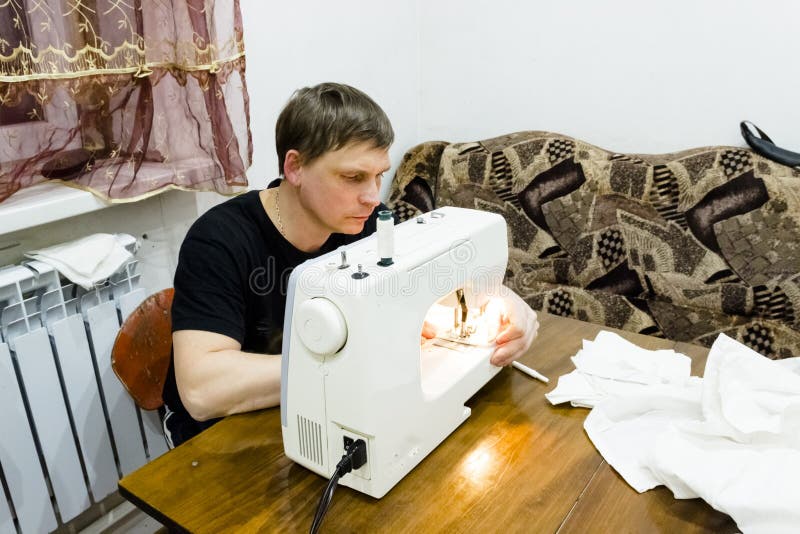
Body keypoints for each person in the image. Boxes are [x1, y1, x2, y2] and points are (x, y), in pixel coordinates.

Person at [162, 82, 539, 447]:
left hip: (328, 409)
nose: (373, 197)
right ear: (295, 167)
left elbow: (428, 286)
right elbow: (202, 390)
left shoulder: (371, 224)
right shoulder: (219, 241)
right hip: (225, 437)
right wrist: (354, 363)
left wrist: (501, 302)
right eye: (353, 177)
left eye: (378, 176)